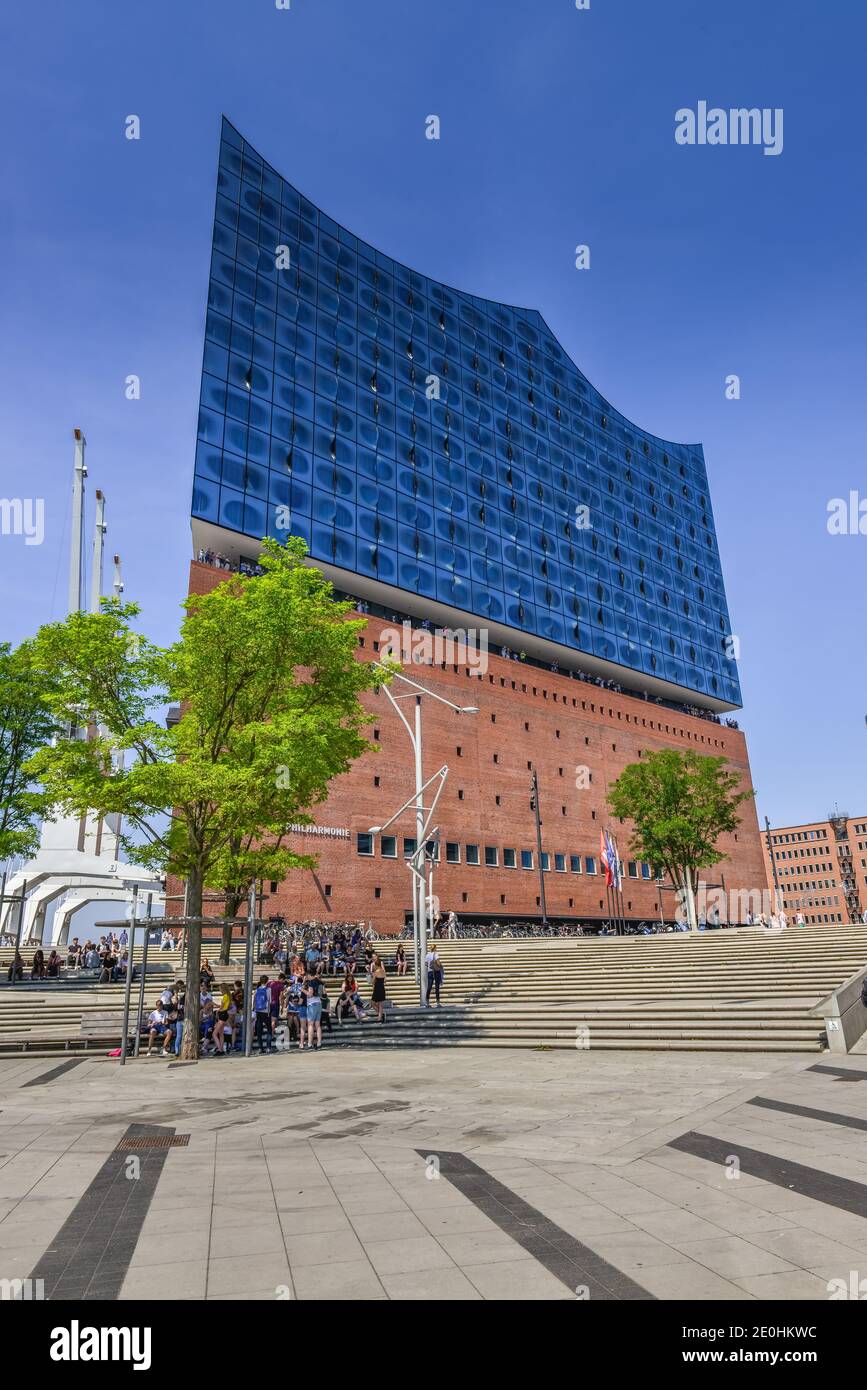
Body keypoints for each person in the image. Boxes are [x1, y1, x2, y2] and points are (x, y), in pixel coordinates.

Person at [253, 975, 273, 1054]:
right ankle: (268, 1047)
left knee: (259, 1030)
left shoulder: (257, 989)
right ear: (267, 981)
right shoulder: (268, 989)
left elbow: (254, 1000)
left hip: (258, 1011)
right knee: (269, 1029)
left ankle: (260, 1048)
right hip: (266, 1011)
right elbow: (270, 1000)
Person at [304, 971, 323, 1050]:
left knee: (310, 1025)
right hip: (319, 1003)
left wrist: (302, 990)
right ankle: (319, 1043)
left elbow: (310, 994)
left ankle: (309, 1044)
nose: (306, 977)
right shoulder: (319, 982)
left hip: (312, 1004)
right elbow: (322, 993)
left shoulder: (311, 982)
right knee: (318, 1025)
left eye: (307, 976)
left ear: (309, 975)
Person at [370, 954, 387, 1024]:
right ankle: (381, 1015)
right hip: (382, 987)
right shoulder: (383, 972)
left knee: (373, 1003)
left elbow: (372, 981)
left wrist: (371, 980)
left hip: (377, 988)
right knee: (380, 1004)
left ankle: (379, 1018)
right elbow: (384, 978)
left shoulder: (376, 972)